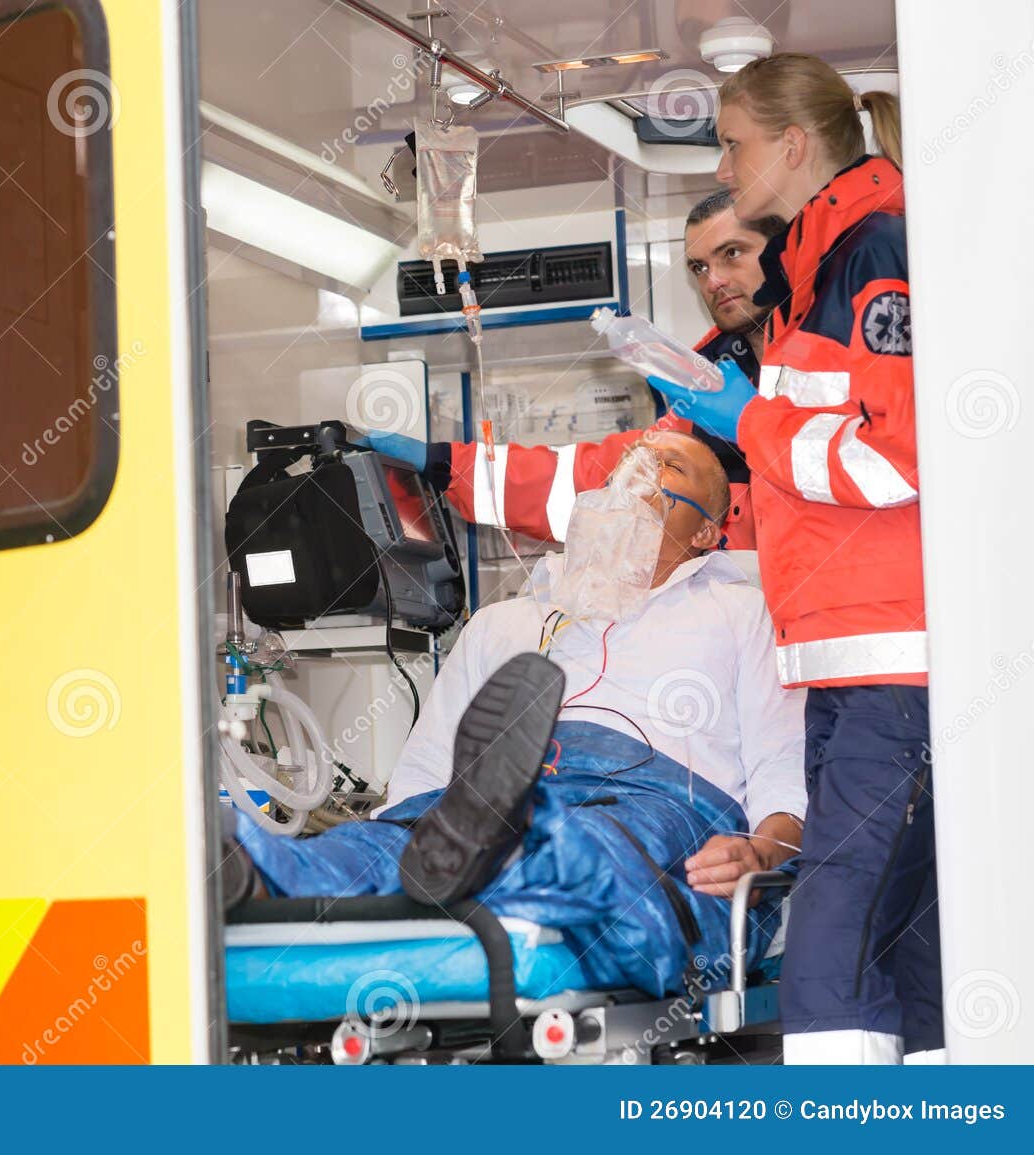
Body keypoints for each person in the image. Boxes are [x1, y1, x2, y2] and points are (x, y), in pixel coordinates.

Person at [643, 54, 930, 1065]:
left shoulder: (870, 253)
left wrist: (750, 422)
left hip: (887, 655)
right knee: (908, 954)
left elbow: (896, 458)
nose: (723, 161)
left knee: (828, 954)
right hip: (850, 657)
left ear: (794, 146)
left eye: (732, 142)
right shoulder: (821, 266)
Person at [386, 431, 805, 892]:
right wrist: (393, 838)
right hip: (483, 819)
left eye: (670, 465)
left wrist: (759, 852)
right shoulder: (499, 625)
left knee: (577, 850)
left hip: (653, 815)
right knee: (342, 858)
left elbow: (782, 770)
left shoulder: (741, 615)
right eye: (631, 459)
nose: (641, 467)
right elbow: (423, 773)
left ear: (706, 531)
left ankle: (506, 864)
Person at [362, 190, 786, 549]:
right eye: (699, 267)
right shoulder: (698, 392)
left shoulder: (834, 354)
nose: (714, 281)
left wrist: (762, 428)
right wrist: (445, 464)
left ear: (785, 249)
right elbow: (590, 485)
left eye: (733, 253)